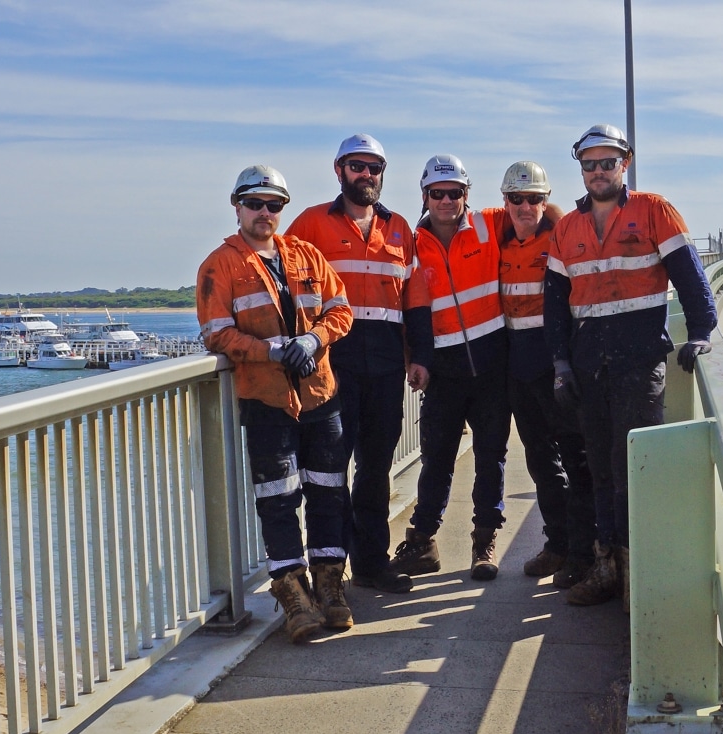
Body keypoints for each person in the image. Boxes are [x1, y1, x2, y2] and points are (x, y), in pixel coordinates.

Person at [544, 125, 717, 609]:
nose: (598, 172)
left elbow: (690, 276)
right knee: (599, 469)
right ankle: (607, 569)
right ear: (579, 168)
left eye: (607, 162)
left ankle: (638, 579)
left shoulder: (653, 211)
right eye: (589, 164)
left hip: (638, 365)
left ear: (626, 162)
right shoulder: (566, 228)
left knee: (635, 469)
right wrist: (560, 364)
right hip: (587, 367)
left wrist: (701, 331)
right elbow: (555, 304)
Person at [196, 164, 354, 644]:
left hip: (320, 395)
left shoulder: (307, 255)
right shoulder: (218, 266)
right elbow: (215, 333)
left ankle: (330, 585)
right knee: (278, 499)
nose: (265, 213)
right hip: (266, 399)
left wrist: (313, 339)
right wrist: (268, 351)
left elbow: (340, 308)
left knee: (329, 491)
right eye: (255, 203)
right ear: (237, 205)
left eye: (274, 205)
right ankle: (292, 593)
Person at [287, 134, 427, 595]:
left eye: (374, 167)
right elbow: (282, 287)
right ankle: (329, 568)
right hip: (332, 365)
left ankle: (370, 563)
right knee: (329, 470)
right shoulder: (309, 224)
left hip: (386, 365)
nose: (366, 175)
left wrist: (417, 358)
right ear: (339, 169)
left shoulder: (400, 229)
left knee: (375, 469)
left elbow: (414, 300)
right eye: (357, 166)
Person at [391, 154, 511, 581]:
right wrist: (414, 360)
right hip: (442, 368)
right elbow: (408, 309)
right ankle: (423, 543)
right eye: (437, 193)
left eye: (454, 192)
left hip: (493, 363)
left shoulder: (489, 223)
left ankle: (484, 542)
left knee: (491, 456)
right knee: (437, 459)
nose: (445, 201)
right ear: (424, 195)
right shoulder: (409, 241)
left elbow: (541, 210)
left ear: (467, 194)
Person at [497, 161, 597, 588]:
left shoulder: (559, 237)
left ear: (546, 199)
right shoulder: (500, 244)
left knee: (577, 460)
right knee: (541, 462)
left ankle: (585, 552)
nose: (525, 206)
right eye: (516, 199)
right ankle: (557, 545)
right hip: (519, 371)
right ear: (505, 201)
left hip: (557, 368)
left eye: (534, 198)